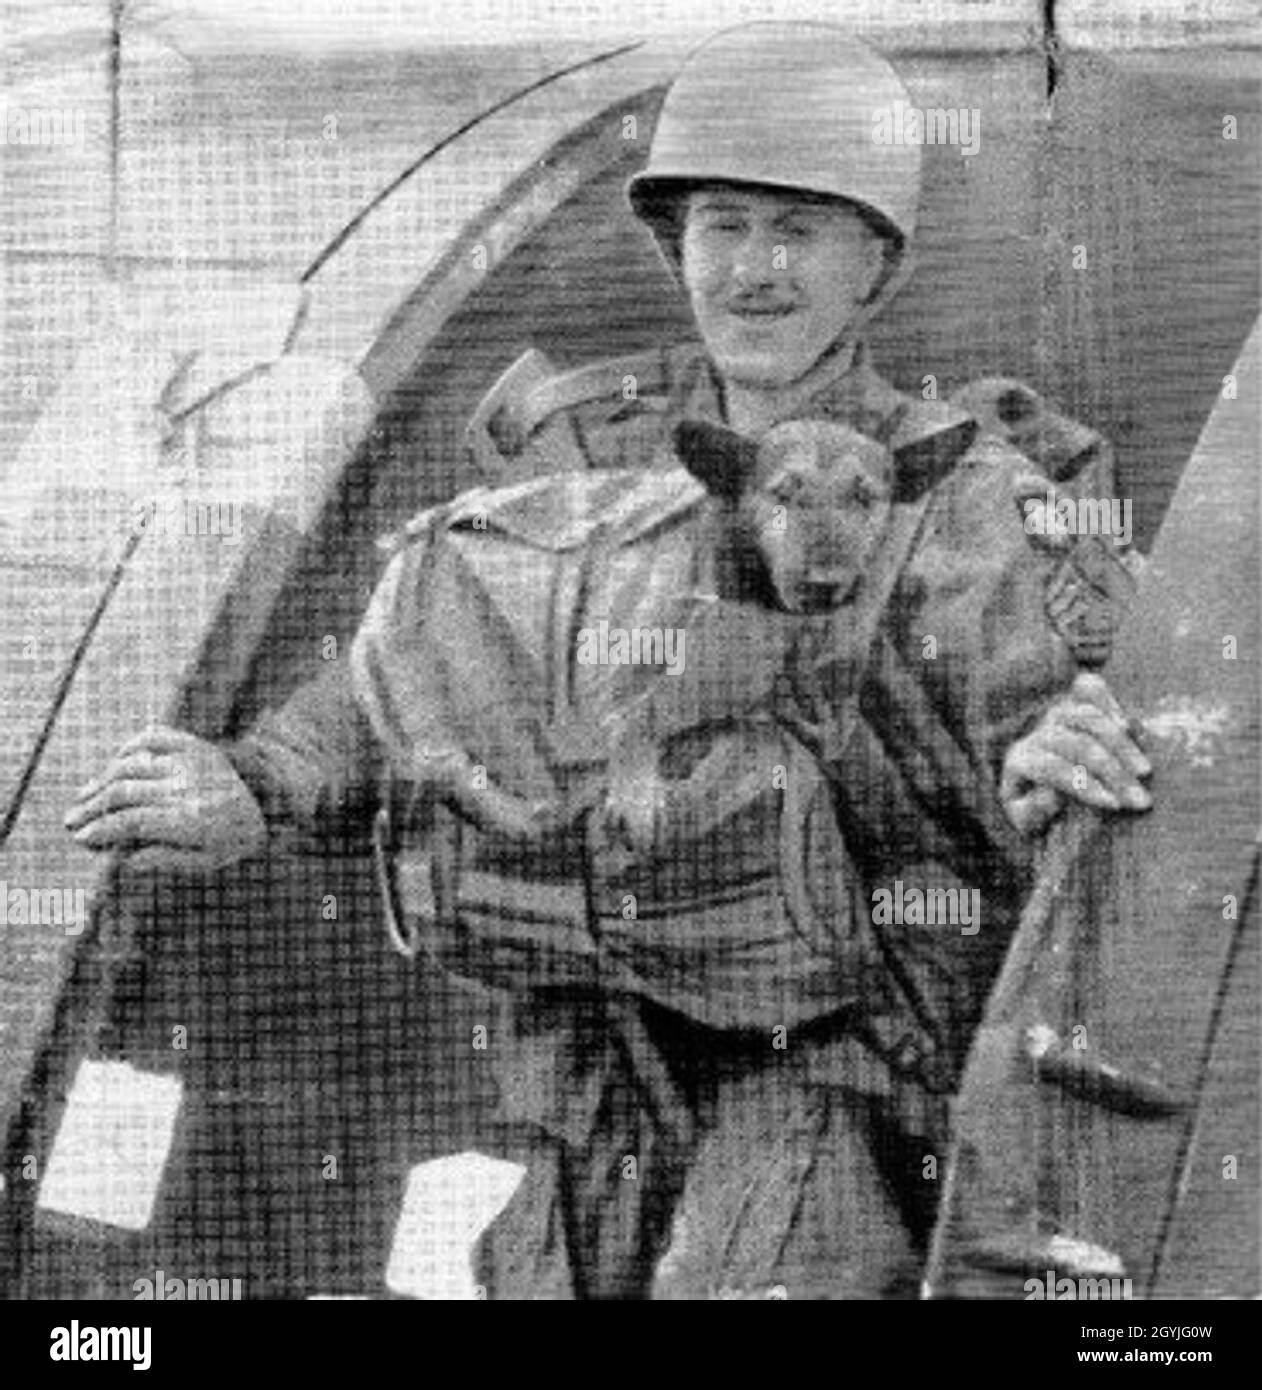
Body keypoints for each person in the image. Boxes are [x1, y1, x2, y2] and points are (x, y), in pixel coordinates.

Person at [65, 23, 1152, 1299]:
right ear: (671, 244)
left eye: (797, 229)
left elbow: (1029, 712)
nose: (753, 268)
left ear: (875, 264)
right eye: (722, 225)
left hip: (829, 1082)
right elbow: (430, 654)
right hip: (585, 1080)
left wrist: (1043, 757)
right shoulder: (581, 451)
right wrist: (258, 779)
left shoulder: (957, 487)